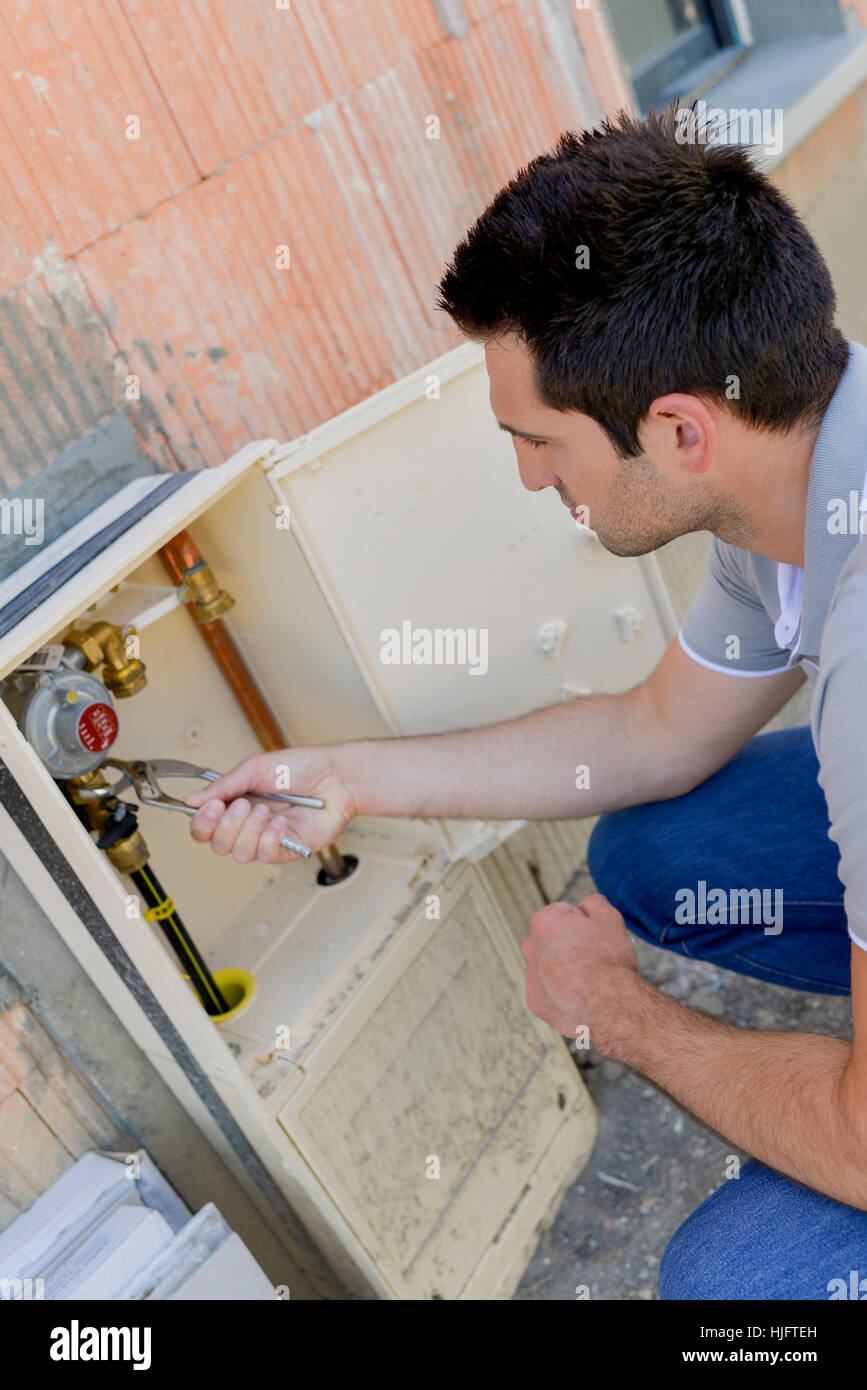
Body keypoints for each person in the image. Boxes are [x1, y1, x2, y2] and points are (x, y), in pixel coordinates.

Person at [185, 105, 867, 1300]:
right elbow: (652, 733)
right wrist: (352, 774)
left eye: (539, 439)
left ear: (679, 429)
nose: (528, 476)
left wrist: (618, 1012)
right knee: (660, 845)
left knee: (737, 1285)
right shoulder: (800, 483)